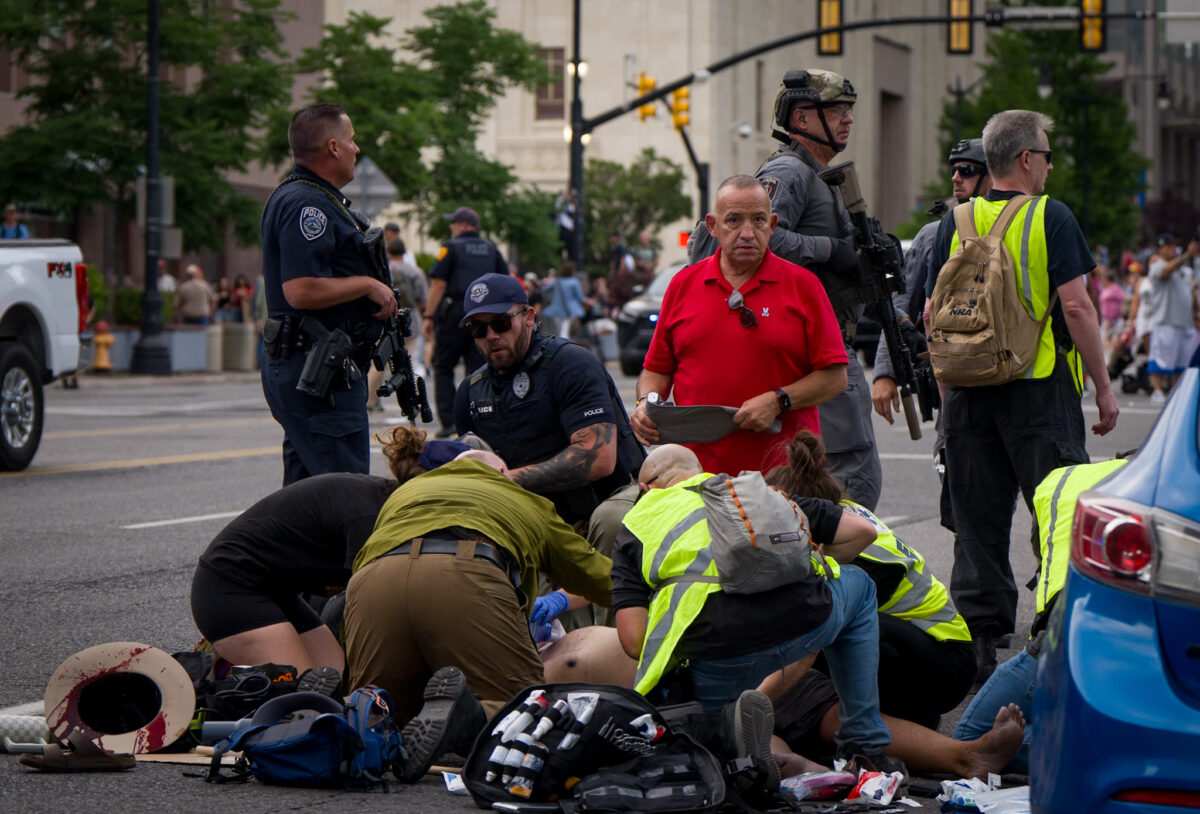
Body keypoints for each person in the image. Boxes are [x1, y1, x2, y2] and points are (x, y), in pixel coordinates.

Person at [923, 109, 1119, 685]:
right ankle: (1053, 636)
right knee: (1057, 515)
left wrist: (949, 393)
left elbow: (936, 315)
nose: (1050, 166)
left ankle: (982, 645)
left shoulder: (952, 222)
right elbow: (1078, 307)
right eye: (1048, 156)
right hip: (1038, 391)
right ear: (1029, 161)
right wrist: (1104, 388)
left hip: (967, 393)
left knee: (977, 523)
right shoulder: (1050, 217)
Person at [611, 443, 902, 772]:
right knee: (859, 585)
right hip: (806, 621)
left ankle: (728, 739)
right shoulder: (751, 494)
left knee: (704, 741)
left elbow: (634, 642)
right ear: (697, 471)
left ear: (646, 487)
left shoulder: (636, 524)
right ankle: (865, 747)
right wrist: (819, 564)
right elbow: (863, 531)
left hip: (719, 655)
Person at [697, 69, 882, 509]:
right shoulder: (789, 171)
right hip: (813, 349)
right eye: (837, 110)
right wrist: (831, 249)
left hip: (823, 339)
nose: (848, 120)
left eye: (849, 111)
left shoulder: (816, 174)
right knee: (848, 483)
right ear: (802, 117)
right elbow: (758, 238)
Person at [343, 447, 613, 725]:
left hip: (372, 582)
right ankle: (461, 722)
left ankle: (330, 716)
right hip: (466, 574)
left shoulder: (407, 492)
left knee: (379, 711)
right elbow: (595, 576)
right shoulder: (523, 499)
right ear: (501, 473)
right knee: (521, 709)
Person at [631, 174, 848, 476]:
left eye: (758, 220)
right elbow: (657, 369)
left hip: (784, 475)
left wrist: (778, 401)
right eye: (734, 220)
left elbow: (836, 377)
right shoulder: (682, 284)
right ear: (712, 226)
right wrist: (647, 403)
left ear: (772, 226)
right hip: (694, 475)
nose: (748, 233)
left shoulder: (803, 286)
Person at [765, 431, 975, 729]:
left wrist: (761, 698)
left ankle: (906, 717)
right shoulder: (845, 516)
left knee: (830, 631)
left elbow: (808, 634)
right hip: (927, 646)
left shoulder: (849, 553)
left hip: (948, 663)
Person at [953, 457, 1128, 775]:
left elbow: (1043, 556)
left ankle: (1121, 754)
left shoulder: (1062, 481)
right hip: (1135, 643)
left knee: (972, 739)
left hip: (1069, 635)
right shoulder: (1173, 489)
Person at [259, 102, 398, 486]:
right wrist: (369, 285)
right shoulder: (308, 204)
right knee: (344, 494)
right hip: (320, 369)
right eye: (351, 140)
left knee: (307, 498)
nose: (357, 149)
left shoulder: (314, 198)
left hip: (315, 365)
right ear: (333, 147)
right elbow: (301, 290)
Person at [452, 272, 640, 531]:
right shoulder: (471, 392)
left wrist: (506, 480)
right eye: (479, 329)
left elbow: (598, 458)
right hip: (524, 517)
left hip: (597, 506)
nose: (491, 335)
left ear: (529, 317)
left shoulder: (570, 364)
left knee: (610, 520)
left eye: (501, 323)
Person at [873, 137, 993, 533]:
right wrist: (886, 374)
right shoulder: (933, 234)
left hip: (1015, 383)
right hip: (953, 384)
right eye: (954, 169)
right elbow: (899, 305)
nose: (956, 178)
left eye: (968, 170)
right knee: (962, 505)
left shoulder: (1023, 223)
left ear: (992, 175)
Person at [422, 206, 508, 437]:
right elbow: (504, 280)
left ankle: (450, 421)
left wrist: (429, 315)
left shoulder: (450, 248)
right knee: (479, 369)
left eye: (453, 223)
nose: (451, 227)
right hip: (484, 314)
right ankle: (477, 418)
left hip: (455, 313)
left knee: (443, 366)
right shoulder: (491, 248)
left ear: (463, 225)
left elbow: (438, 284)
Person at [367, 238, 428, 412]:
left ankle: (371, 400)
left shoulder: (383, 270)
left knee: (379, 363)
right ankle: (413, 400)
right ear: (404, 251)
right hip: (409, 321)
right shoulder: (415, 271)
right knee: (410, 361)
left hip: (385, 319)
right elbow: (423, 301)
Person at [1144, 233, 1200, 404]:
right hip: (1166, 321)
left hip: (1186, 323)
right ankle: (1158, 390)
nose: (1173, 249)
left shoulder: (1183, 269)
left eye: (1175, 245)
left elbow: (1190, 294)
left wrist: (1196, 314)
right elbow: (1166, 271)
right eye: (1169, 246)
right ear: (1162, 248)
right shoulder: (1157, 265)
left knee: (1182, 362)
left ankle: (1177, 391)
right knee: (1161, 359)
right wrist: (1188, 255)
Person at [540, 260, 587, 339]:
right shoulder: (574, 282)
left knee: (560, 332)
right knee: (565, 333)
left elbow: (544, 290)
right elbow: (580, 297)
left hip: (556, 310)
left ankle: (562, 346)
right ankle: (566, 348)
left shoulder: (557, 281)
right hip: (570, 310)